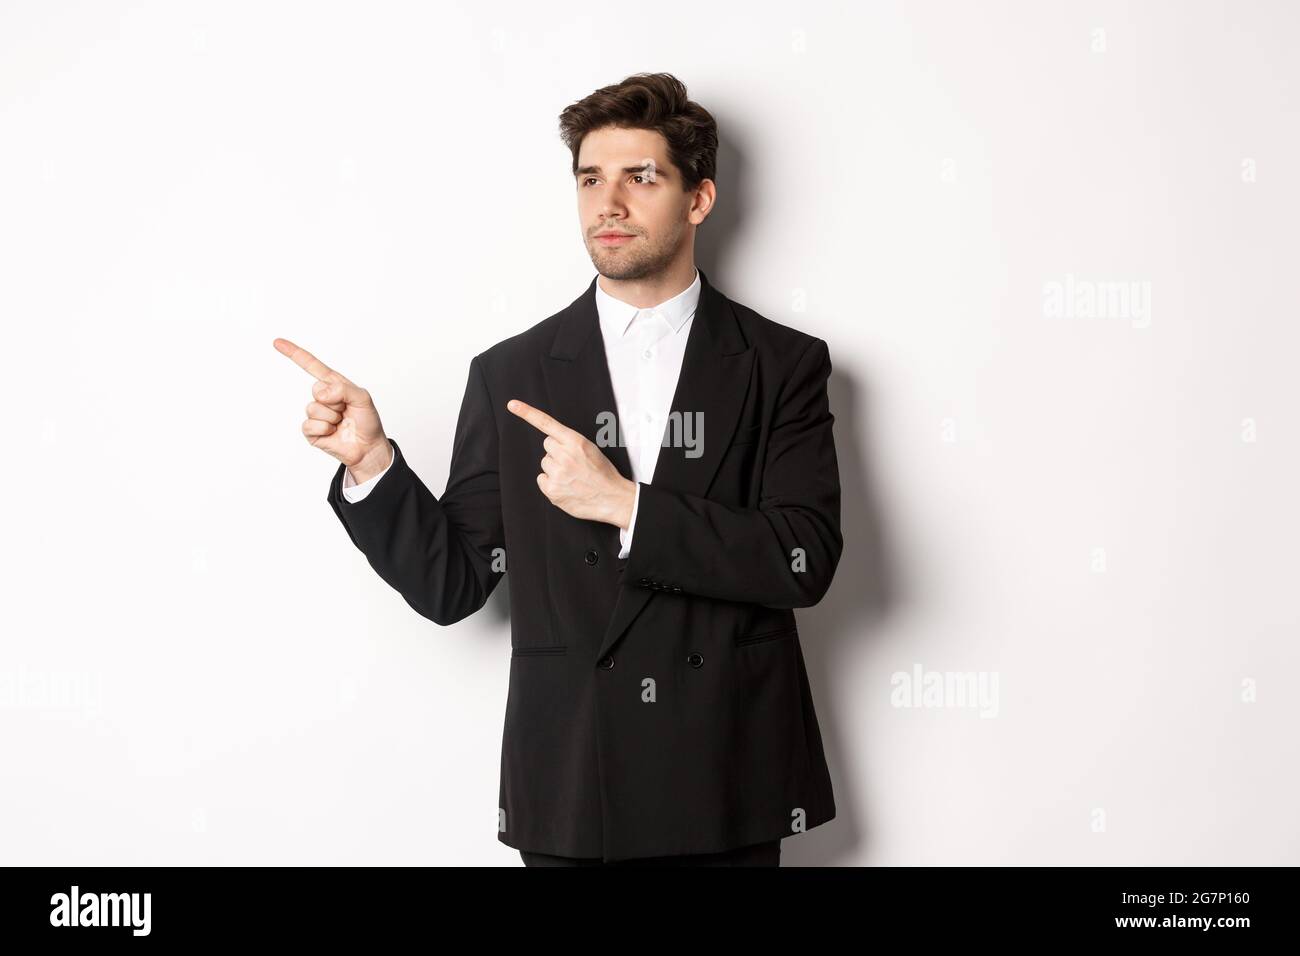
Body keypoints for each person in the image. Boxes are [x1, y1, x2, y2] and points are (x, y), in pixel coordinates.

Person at [275, 73, 842, 866]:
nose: (608, 203)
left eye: (640, 178)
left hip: (727, 776)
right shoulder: (511, 373)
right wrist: (374, 464)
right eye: (590, 179)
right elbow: (454, 586)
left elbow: (804, 557)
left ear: (699, 200)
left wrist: (627, 506)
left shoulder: (782, 364)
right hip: (575, 783)